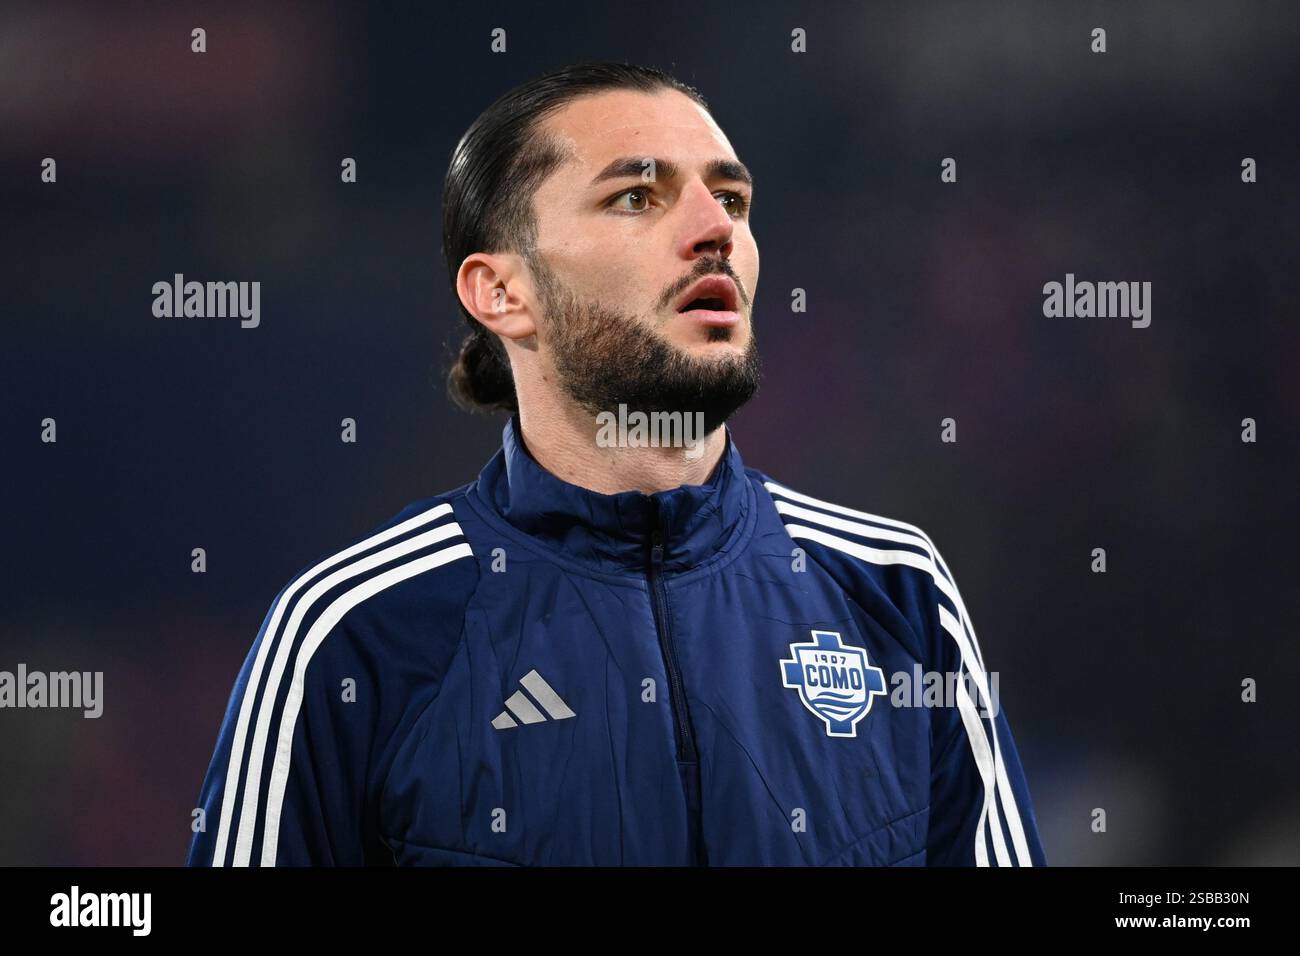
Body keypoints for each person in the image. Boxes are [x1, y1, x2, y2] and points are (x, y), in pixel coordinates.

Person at [187, 61, 1046, 867]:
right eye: (639, 196)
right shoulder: (352, 634)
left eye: (733, 199)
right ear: (503, 292)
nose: (716, 231)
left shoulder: (894, 590)